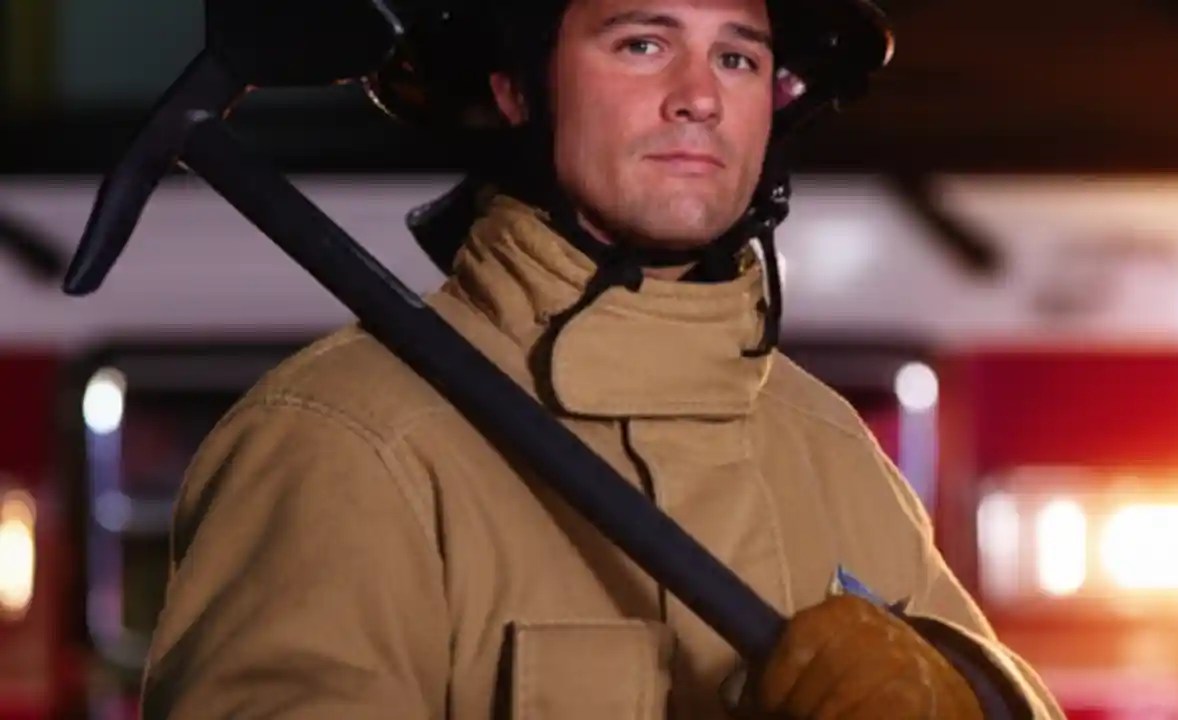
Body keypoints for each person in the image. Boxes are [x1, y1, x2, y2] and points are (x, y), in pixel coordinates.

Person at [141, 0, 1064, 717]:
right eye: (642, 44)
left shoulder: (828, 446)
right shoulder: (344, 446)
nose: (700, 95)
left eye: (737, 56)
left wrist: (964, 697)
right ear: (516, 88)